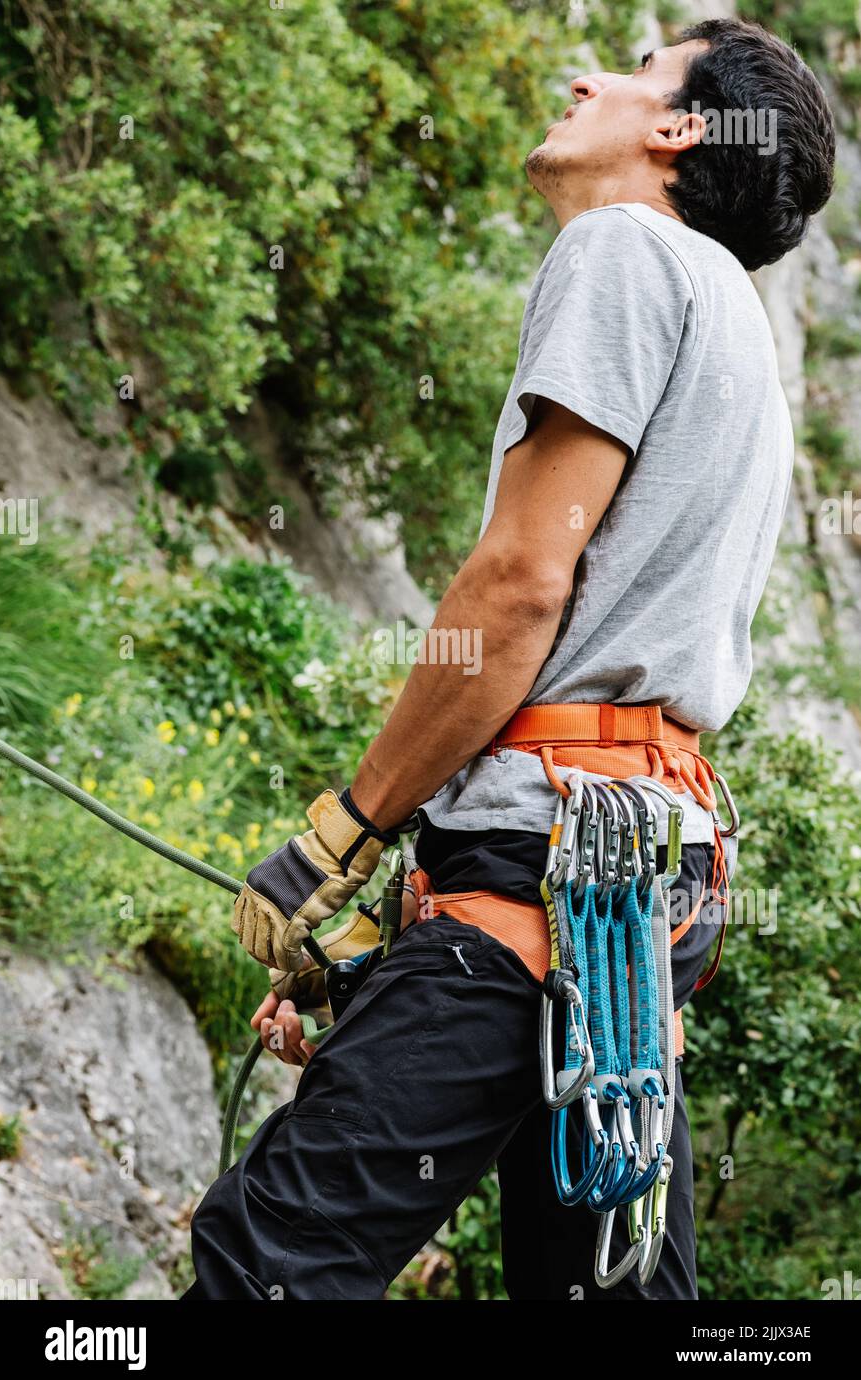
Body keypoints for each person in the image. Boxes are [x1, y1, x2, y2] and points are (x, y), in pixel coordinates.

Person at [184, 18, 835, 1300]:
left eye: (635, 75)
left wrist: (340, 836)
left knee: (268, 1262)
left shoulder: (619, 248)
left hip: (542, 871)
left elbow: (521, 582)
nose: (585, 79)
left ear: (677, 130)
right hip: (636, 892)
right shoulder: (738, 335)